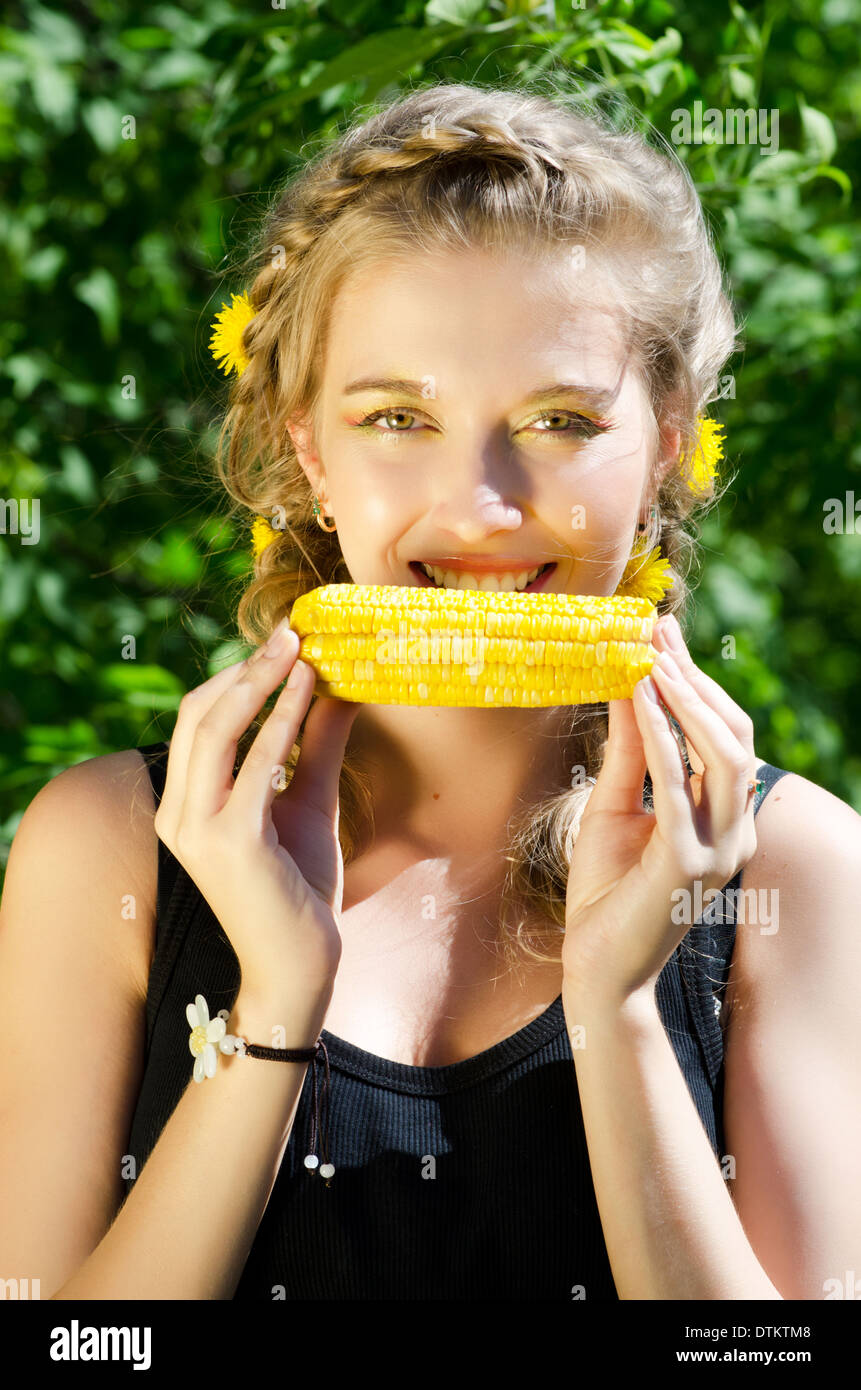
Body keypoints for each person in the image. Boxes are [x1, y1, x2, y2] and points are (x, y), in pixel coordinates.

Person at [1, 80, 859, 1303]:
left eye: (559, 418)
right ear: (309, 449)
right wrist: (277, 1004)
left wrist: (616, 1010)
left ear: (669, 436)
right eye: (398, 415)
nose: (482, 506)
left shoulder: (797, 872)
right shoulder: (108, 853)